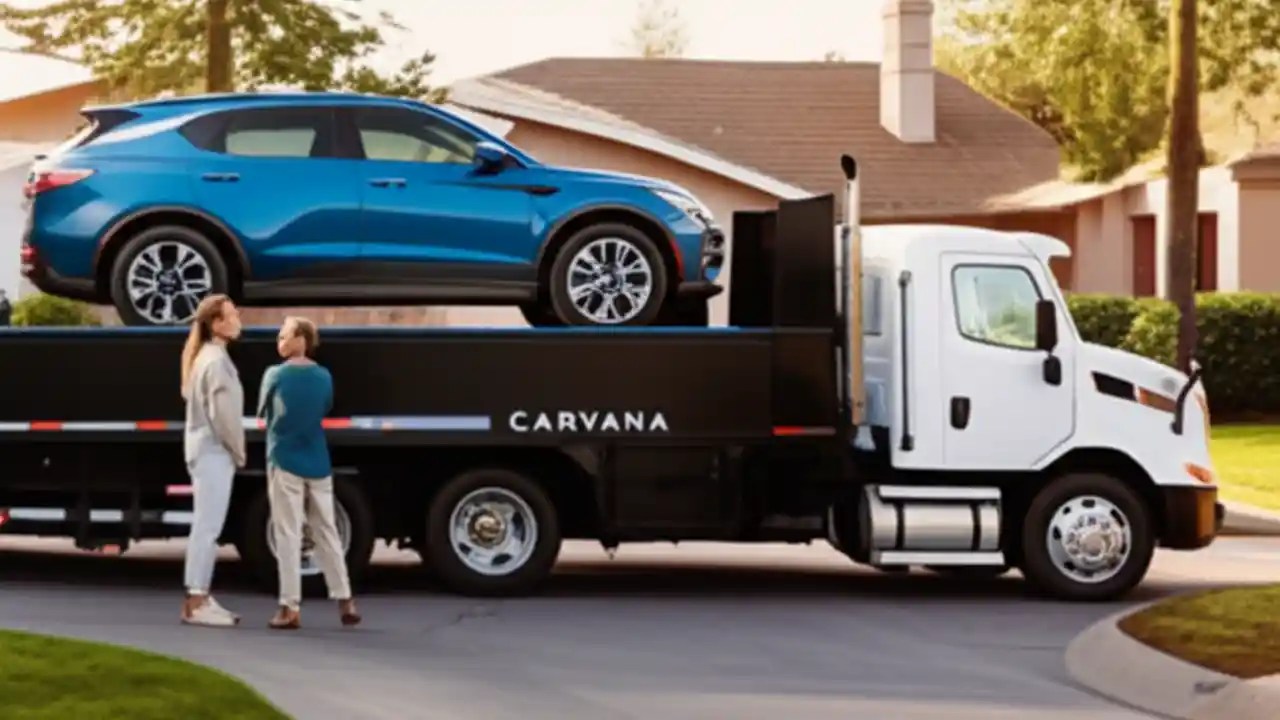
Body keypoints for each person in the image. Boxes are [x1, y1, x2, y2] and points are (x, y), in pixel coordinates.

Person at [258, 316, 360, 630]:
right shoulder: (324, 377)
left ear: (300, 339)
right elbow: (325, 407)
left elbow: (263, 412)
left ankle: (289, 607)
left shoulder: (275, 374)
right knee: (326, 530)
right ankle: (345, 600)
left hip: (284, 458)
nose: (279, 341)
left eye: (284, 335)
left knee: (288, 533)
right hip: (317, 460)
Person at [180, 293, 246, 627]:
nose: (239, 320)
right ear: (217, 324)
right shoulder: (216, 361)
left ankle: (200, 596)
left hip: (204, 450)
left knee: (205, 526)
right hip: (214, 452)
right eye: (233, 315)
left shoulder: (205, 357)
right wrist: (239, 450)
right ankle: (196, 599)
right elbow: (224, 417)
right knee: (207, 528)